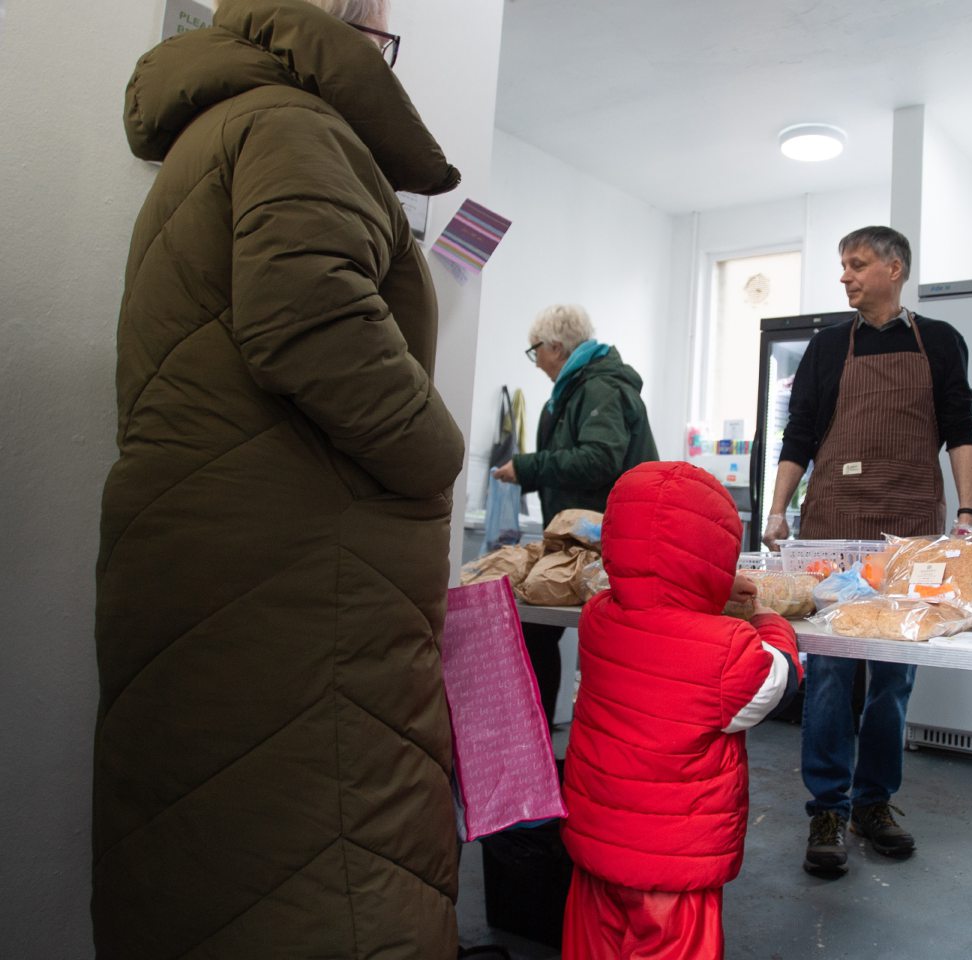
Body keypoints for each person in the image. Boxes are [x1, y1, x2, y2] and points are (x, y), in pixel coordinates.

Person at [93, 1, 465, 956]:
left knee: (208, 864)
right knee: (336, 875)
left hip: (221, 561)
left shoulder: (214, 132)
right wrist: (439, 453)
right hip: (304, 583)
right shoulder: (295, 123)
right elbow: (305, 317)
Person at [762, 225, 972, 878]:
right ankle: (827, 806)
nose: (846, 276)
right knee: (830, 671)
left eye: (857, 265)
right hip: (835, 526)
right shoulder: (829, 348)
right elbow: (799, 433)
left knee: (893, 672)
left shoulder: (939, 342)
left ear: (895, 268)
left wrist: (967, 512)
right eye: (843, 265)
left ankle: (874, 802)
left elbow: (960, 430)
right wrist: (777, 509)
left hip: (912, 532)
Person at [560, 461, 802, 959]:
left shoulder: (598, 618)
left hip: (598, 851)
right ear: (714, 553)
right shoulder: (728, 649)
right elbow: (778, 678)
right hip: (673, 873)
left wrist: (713, 590)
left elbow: (654, 584)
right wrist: (771, 623)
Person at [493, 303, 658, 724]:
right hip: (587, 538)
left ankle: (557, 745)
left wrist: (528, 467)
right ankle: (547, 744)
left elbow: (600, 459)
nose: (537, 363)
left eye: (536, 352)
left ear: (556, 346)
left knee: (561, 635)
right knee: (540, 630)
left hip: (606, 540)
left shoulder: (597, 388)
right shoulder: (577, 389)